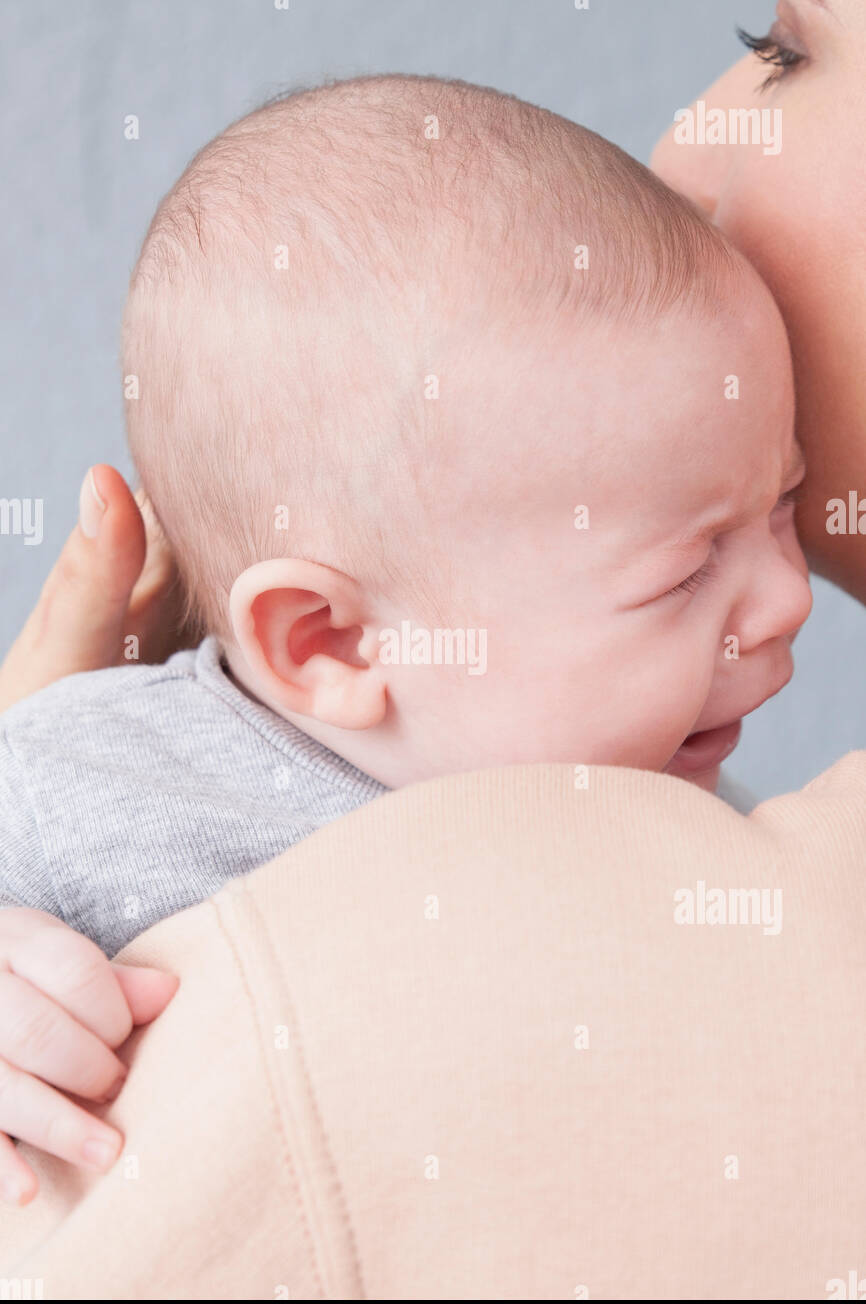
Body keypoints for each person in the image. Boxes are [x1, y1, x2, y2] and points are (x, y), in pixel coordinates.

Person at [0, 76, 812, 1203]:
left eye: (782, 503)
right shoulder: (88, 781)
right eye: (684, 570)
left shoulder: (677, 832)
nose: (785, 597)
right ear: (329, 642)